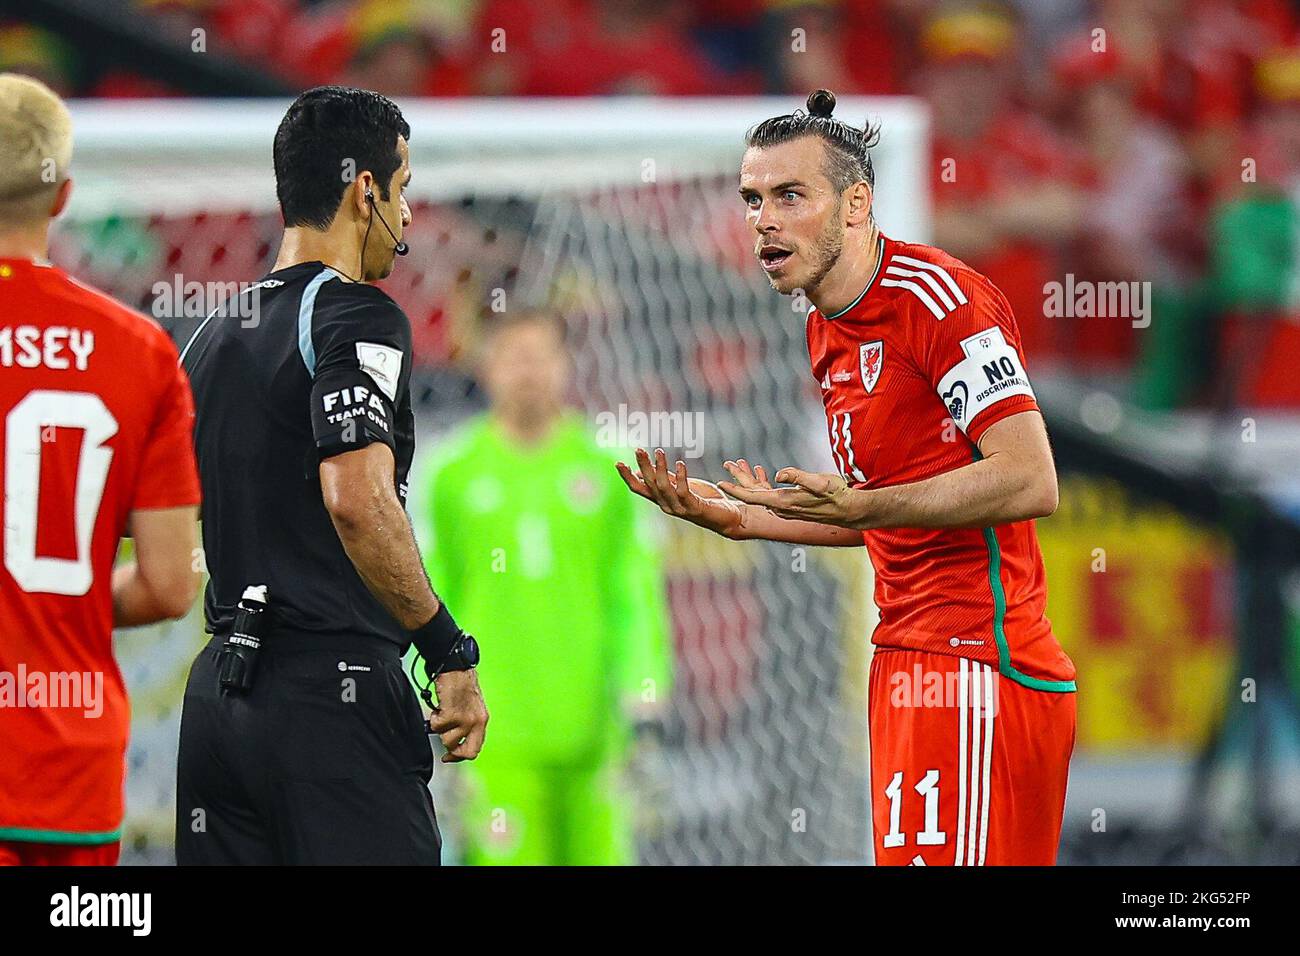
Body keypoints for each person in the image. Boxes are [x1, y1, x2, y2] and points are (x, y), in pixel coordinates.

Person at [618, 90, 1077, 866]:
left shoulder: (940, 300)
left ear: (856, 202)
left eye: (790, 195)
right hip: (904, 656)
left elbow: (1030, 478)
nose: (764, 218)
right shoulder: (827, 327)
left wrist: (864, 503)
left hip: (972, 663)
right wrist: (738, 517)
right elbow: (876, 514)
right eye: (753, 199)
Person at [176, 86, 488, 865]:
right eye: (405, 187)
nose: (410, 214)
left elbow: (157, 507)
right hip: (332, 694)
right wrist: (447, 649)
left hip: (218, 693)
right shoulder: (356, 314)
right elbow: (355, 499)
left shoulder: (209, 335)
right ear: (365, 190)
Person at [0, 73, 201, 865]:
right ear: (62, 196)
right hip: (69, 764)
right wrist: (63, 602)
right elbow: (168, 584)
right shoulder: (139, 352)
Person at [412, 308, 672, 865]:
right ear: (486, 366)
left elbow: (634, 594)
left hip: (596, 735)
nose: (527, 371)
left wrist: (645, 699)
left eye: (540, 356)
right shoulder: (449, 475)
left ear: (566, 363)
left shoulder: (612, 467)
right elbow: (431, 601)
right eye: (512, 357)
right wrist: (432, 715)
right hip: (495, 739)